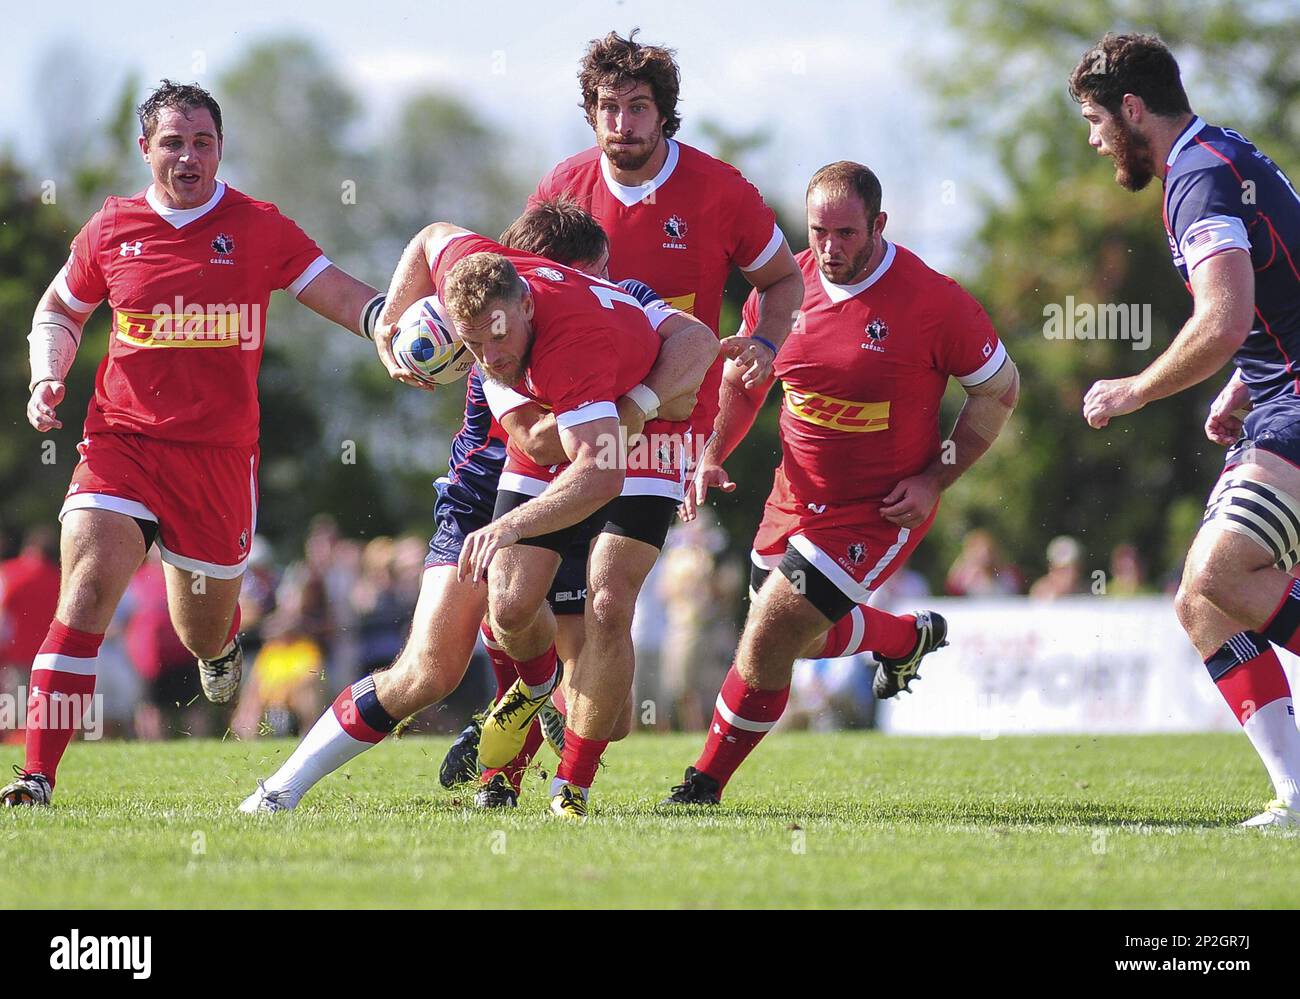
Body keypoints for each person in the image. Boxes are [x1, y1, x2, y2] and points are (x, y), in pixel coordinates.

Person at [237, 202, 709, 814]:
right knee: (428, 671)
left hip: (574, 484)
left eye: (599, 274)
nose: (602, 284)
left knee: (610, 715)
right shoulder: (487, 319)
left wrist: (634, 403)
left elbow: (685, 360)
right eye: (590, 273)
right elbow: (535, 439)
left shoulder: (593, 310)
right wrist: (387, 324)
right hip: (490, 489)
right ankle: (281, 790)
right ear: (530, 271)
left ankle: (522, 741)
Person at [1, 81, 386, 807]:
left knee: (202, 630)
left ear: (220, 149)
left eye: (202, 142)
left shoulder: (258, 225)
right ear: (145, 150)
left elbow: (333, 288)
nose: (188, 156)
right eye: (173, 142)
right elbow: (58, 308)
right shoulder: (111, 227)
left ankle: (221, 646)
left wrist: (388, 326)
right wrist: (46, 374)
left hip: (217, 460)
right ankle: (35, 777)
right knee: (84, 593)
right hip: (121, 443)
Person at [662, 161, 1019, 805]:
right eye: (818, 231)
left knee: (769, 634)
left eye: (846, 233)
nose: (829, 248)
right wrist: (712, 452)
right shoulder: (783, 291)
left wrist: (936, 479)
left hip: (875, 511)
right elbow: (745, 382)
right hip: (791, 499)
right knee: (791, 639)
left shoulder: (935, 301)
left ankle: (702, 784)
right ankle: (904, 638)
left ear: (879, 225)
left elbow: (998, 391)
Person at [1072, 33, 1300, 828]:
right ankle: (1297, 797)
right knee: (1202, 603)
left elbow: (1223, 317)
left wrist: (1133, 389)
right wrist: (1245, 379)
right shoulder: (1223, 153)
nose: (1095, 141)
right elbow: (1275, 298)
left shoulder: (1198, 177)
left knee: (1222, 571)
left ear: (1133, 109)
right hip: (1276, 396)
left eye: (1096, 121)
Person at [529, 29, 805, 468]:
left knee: (616, 517)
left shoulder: (720, 191)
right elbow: (524, 293)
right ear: (592, 113)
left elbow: (785, 278)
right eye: (609, 107)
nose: (623, 124)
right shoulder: (562, 187)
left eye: (638, 107)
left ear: (663, 114)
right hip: (579, 410)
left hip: (674, 419)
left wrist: (766, 342)